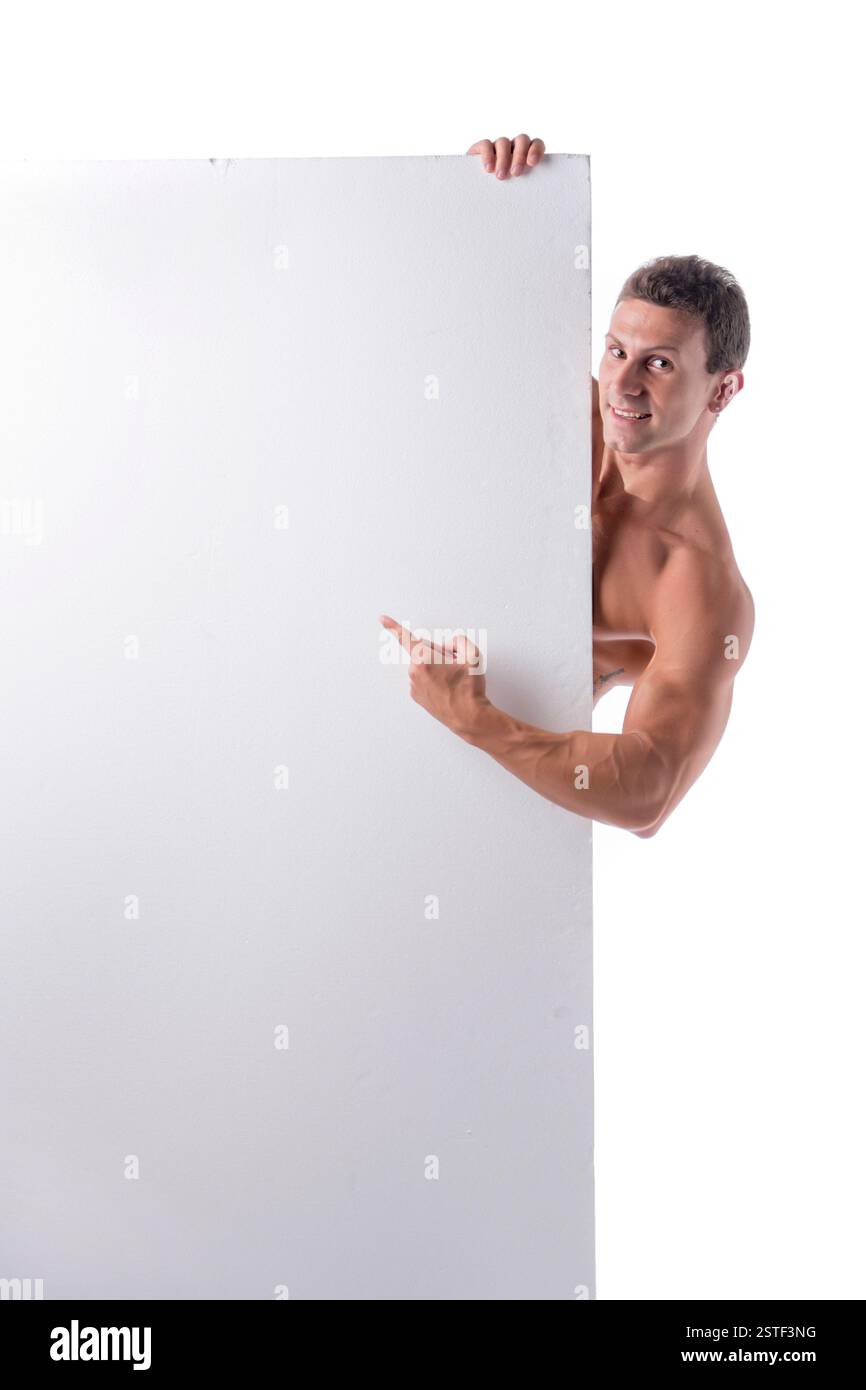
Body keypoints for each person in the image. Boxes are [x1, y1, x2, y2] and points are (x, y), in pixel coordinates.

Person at [381, 134, 754, 838]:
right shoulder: (558, 410)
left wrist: (473, 720)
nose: (621, 382)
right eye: (615, 350)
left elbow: (649, 792)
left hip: (479, 801)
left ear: (723, 390)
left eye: (660, 364)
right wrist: (487, 198)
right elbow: (430, 321)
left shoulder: (696, 586)